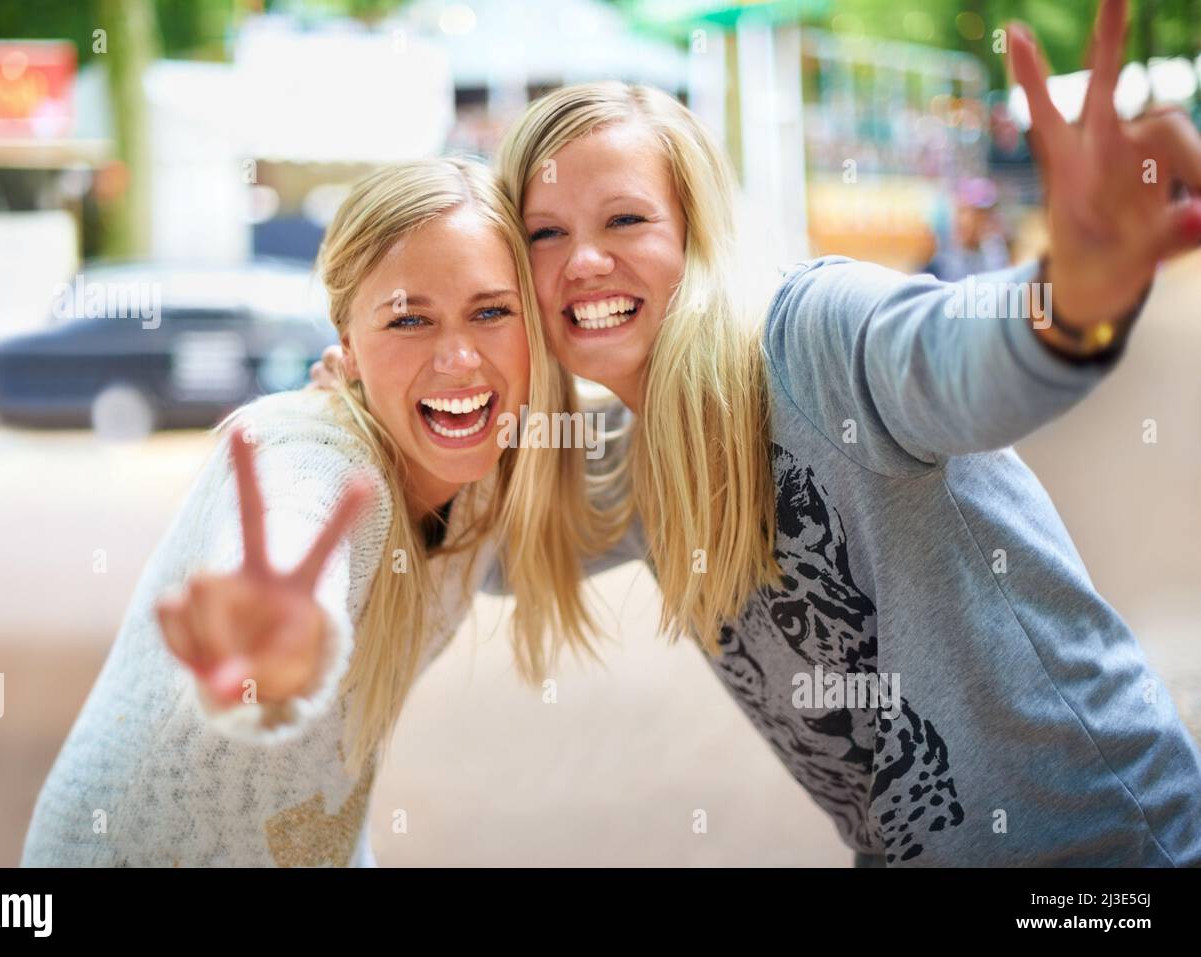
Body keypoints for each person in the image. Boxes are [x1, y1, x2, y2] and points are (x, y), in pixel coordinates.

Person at [311, 1, 1201, 867]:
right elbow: (477, 542)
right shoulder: (625, 460)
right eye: (545, 234)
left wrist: (1070, 302)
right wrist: (377, 403)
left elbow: (957, 353)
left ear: (693, 233)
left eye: (625, 219)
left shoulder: (812, 337)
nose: (584, 260)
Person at [20, 157, 598, 867]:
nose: (458, 358)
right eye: (410, 319)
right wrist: (266, 634)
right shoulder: (315, 452)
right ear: (346, 346)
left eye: (490, 311)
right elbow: (291, 506)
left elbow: (667, 464)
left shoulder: (498, 471)